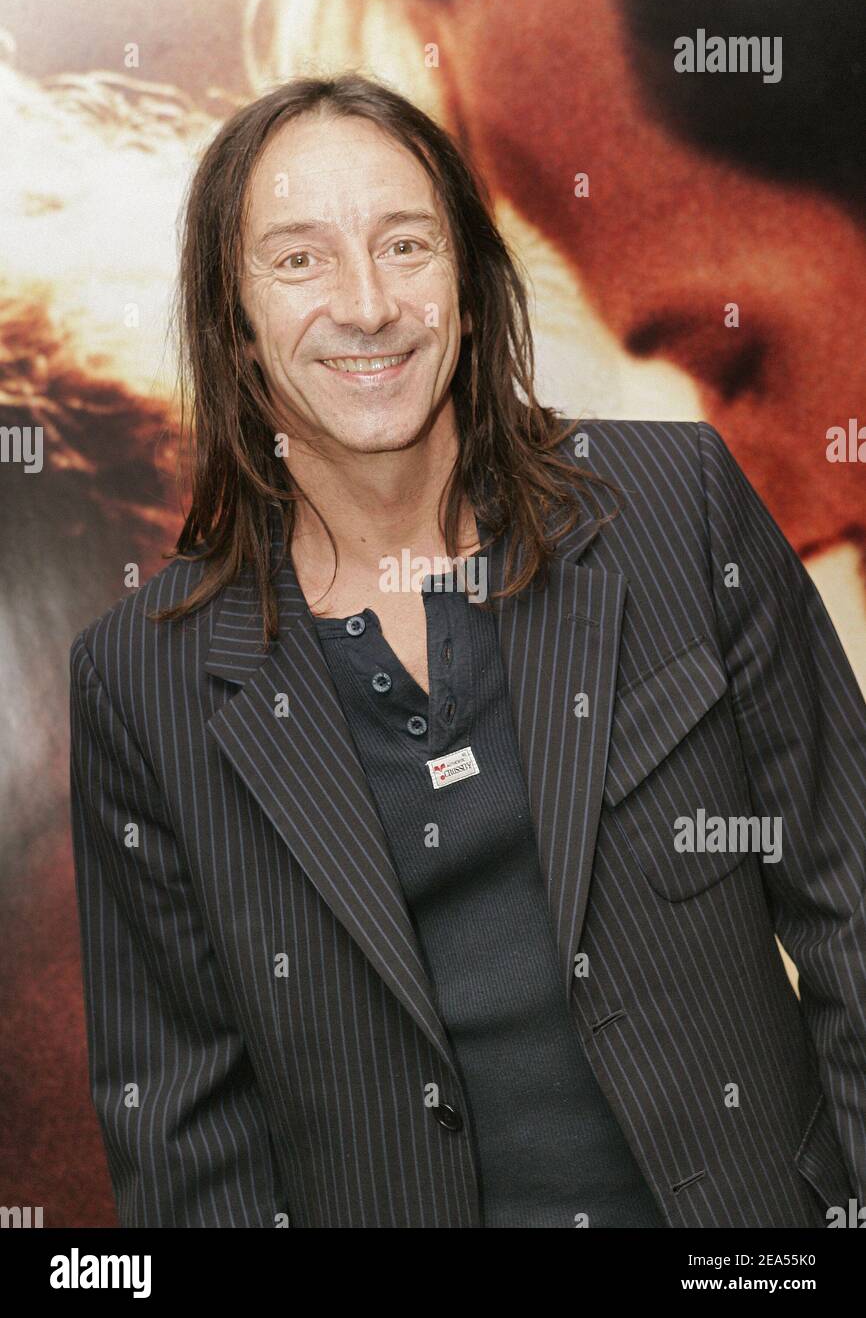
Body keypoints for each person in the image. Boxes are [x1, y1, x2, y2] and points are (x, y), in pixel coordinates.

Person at [69, 72, 866, 1228]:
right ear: (233, 326)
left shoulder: (671, 504)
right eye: (298, 260)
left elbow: (850, 898)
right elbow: (184, 1132)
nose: (365, 302)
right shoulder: (141, 681)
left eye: (405, 244)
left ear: (471, 284)